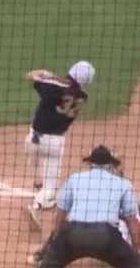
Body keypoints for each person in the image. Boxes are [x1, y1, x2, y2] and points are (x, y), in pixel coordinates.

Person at [33, 145, 140, 268]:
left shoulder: (74, 179)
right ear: (110, 165)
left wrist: (55, 245)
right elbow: (132, 221)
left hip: (73, 235)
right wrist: (137, 252)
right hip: (105, 237)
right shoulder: (123, 184)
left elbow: (60, 216)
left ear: (90, 164)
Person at [24, 61, 95, 230]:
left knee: (36, 159)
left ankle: (38, 185)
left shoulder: (54, 86)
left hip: (33, 140)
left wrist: (46, 73)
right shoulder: (83, 97)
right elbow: (66, 90)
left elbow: (31, 76)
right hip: (56, 143)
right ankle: (38, 203)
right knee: (51, 187)